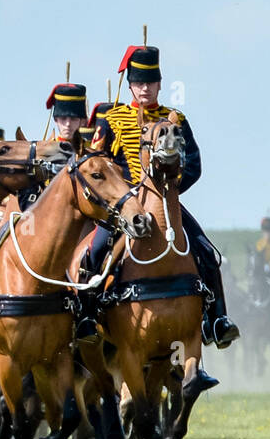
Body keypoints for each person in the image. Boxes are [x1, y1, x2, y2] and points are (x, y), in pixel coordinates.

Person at [91, 45, 239, 349]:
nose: (145, 88)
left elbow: (194, 164)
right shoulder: (113, 119)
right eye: (139, 83)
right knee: (93, 253)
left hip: (167, 201)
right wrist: (123, 195)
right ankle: (87, 317)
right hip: (123, 205)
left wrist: (168, 191)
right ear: (130, 85)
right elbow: (100, 165)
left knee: (206, 253)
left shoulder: (177, 120)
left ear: (159, 84)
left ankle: (216, 320)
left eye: (150, 82)